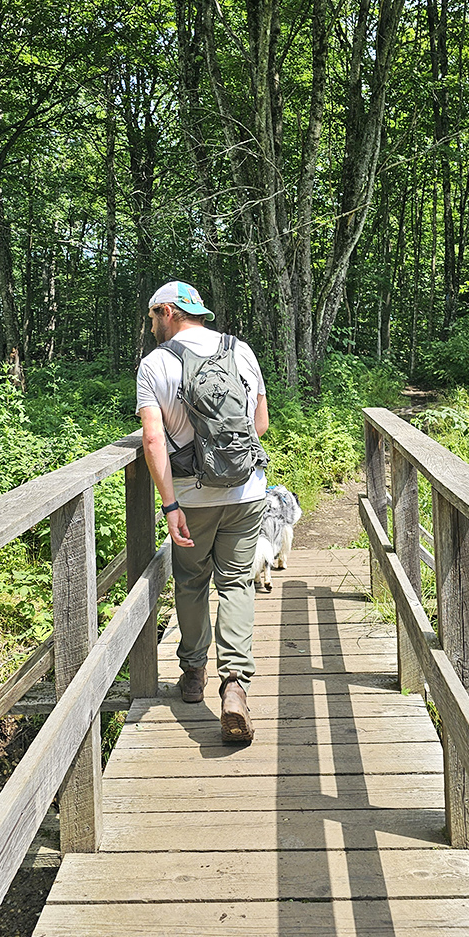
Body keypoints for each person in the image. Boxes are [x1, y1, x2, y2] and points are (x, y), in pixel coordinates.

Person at [136, 280, 269, 742]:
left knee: (191, 583)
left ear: (168, 312)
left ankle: (194, 677)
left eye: (153, 315)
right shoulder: (241, 350)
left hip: (191, 497)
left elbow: (154, 439)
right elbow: (261, 424)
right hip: (246, 492)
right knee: (236, 582)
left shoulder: (157, 364)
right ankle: (235, 685)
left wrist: (169, 503)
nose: (150, 324)